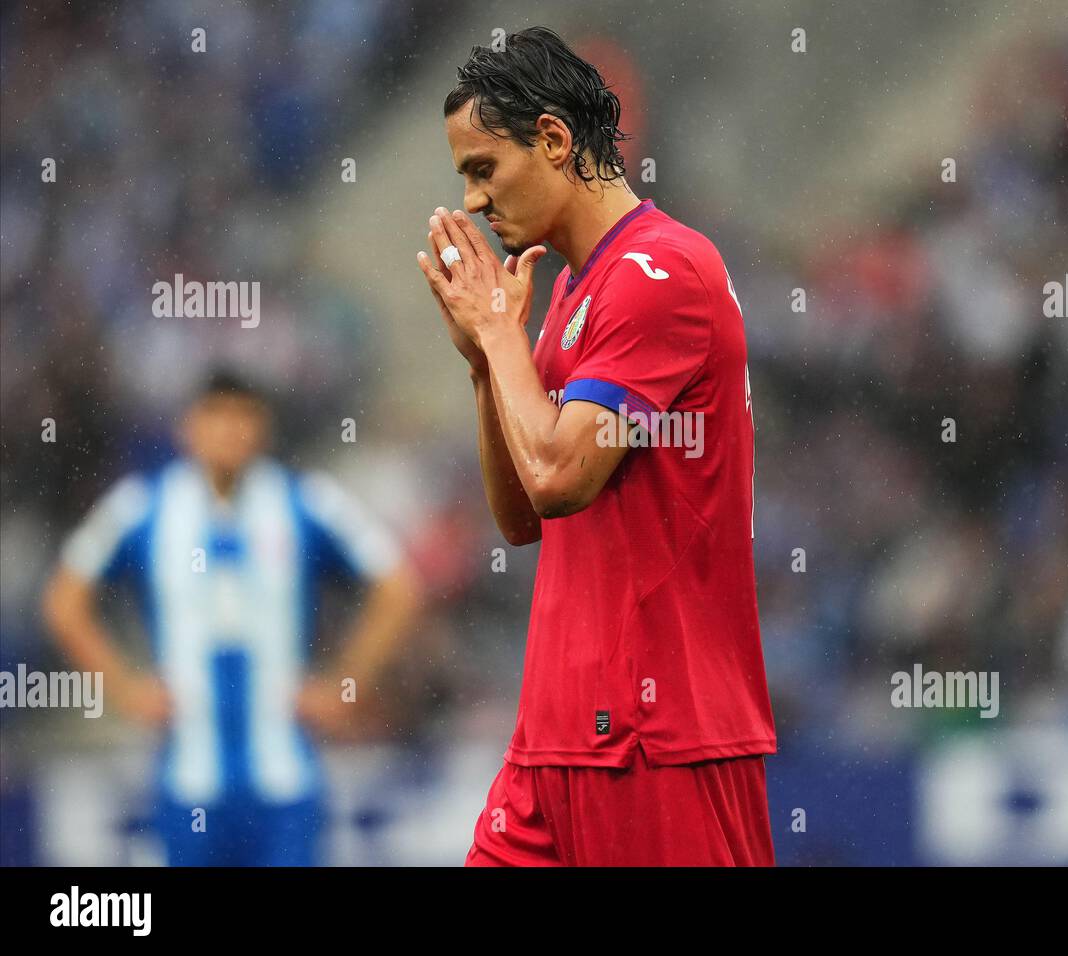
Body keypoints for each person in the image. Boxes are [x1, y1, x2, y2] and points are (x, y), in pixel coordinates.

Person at [417, 26, 777, 866]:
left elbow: (558, 478)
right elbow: (520, 519)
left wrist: (504, 337)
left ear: (551, 139)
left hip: (655, 738)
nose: (472, 201)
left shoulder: (663, 274)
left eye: (483, 169)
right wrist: (483, 366)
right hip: (557, 736)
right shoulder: (580, 288)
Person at [42, 370, 421, 865]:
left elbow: (397, 587)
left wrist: (344, 685)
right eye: (216, 415)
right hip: (187, 783)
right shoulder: (143, 506)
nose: (229, 430)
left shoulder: (304, 501)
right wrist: (124, 688)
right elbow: (64, 601)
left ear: (262, 427)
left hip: (286, 784)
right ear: (188, 427)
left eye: (242, 416)